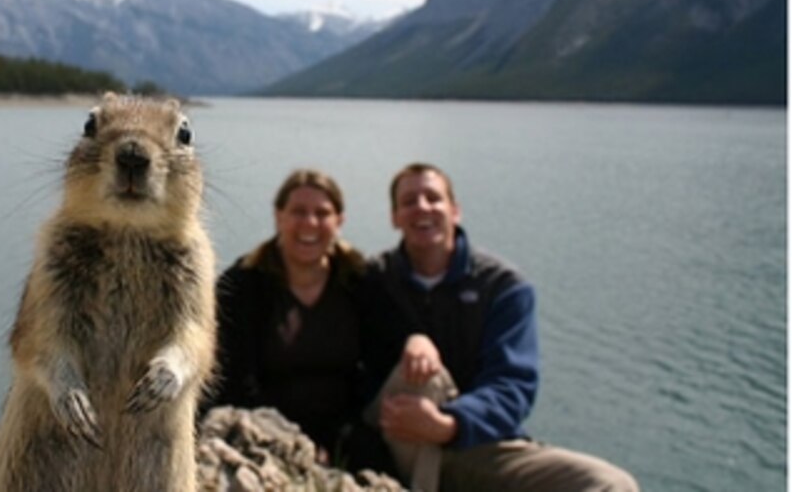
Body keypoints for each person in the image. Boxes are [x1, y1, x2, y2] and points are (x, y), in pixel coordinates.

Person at [358, 162, 639, 491]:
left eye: (433, 198)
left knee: (610, 484)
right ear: (394, 217)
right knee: (420, 376)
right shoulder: (372, 278)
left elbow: (512, 385)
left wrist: (449, 425)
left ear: (455, 211)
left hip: (472, 442)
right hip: (396, 436)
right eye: (409, 201)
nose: (422, 207)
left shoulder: (502, 287)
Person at [206, 168, 369, 464]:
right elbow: (230, 381)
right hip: (261, 434)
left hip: (346, 435)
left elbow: (381, 362)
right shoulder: (243, 285)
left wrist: (418, 342)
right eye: (298, 211)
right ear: (279, 216)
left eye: (322, 213)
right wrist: (292, 444)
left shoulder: (359, 281)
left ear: (339, 221)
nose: (310, 223)